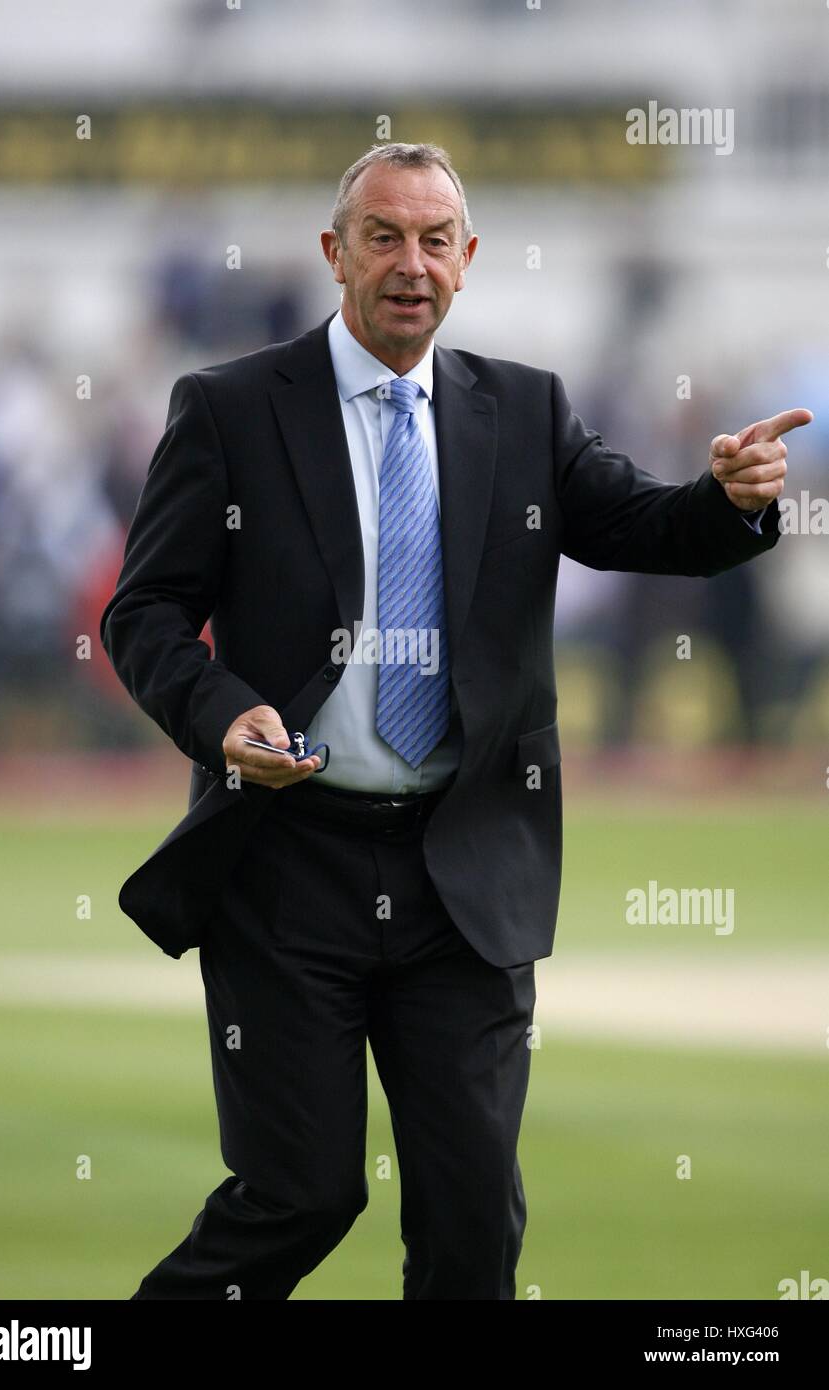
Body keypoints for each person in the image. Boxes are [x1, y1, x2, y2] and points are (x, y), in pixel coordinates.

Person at [99, 142, 811, 1300]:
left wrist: (726, 502)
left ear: (468, 259)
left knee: (473, 1220)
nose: (411, 264)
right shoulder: (229, 409)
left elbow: (643, 526)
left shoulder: (523, 409)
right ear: (334, 253)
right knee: (299, 1195)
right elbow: (144, 612)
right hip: (286, 866)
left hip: (465, 867)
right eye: (382, 236)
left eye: (435, 241)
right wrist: (221, 714)